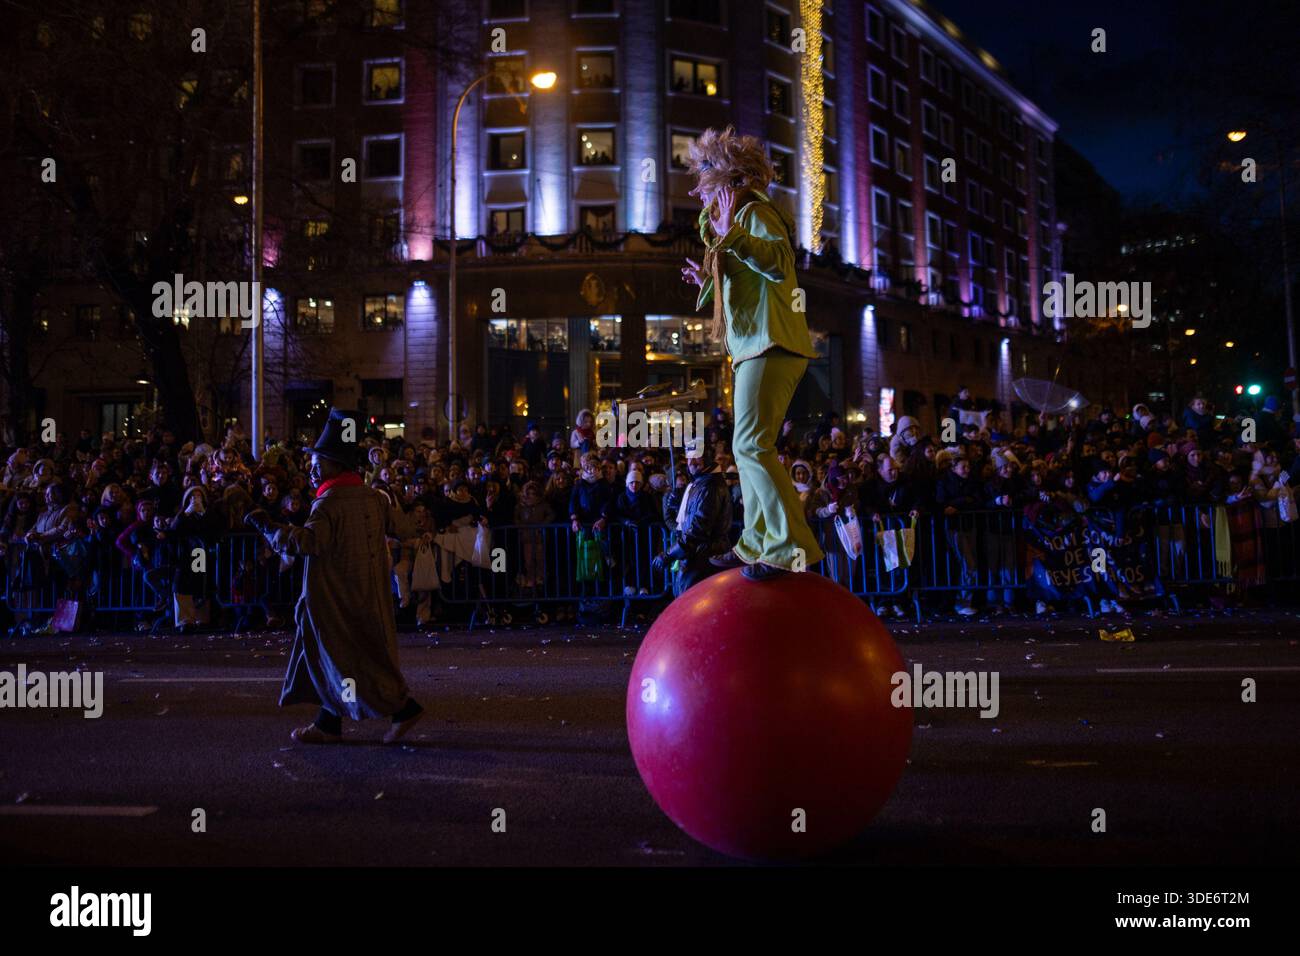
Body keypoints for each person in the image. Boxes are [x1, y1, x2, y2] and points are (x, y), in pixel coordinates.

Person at [681, 127, 824, 581]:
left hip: (770, 343)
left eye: (705, 175)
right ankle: (759, 541)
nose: (697, 188)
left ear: (730, 179)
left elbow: (779, 265)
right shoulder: (737, 223)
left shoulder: (756, 213)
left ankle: (788, 544)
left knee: (751, 445)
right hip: (757, 346)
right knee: (749, 449)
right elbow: (747, 276)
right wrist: (707, 281)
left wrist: (731, 237)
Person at [245, 408, 424, 746]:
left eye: (317, 462)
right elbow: (401, 528)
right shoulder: (374, 497)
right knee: (342, 658)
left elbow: (309, 543)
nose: (311, 469)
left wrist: (265, 525)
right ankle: (328, 723)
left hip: (335, 599)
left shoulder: (328, 504)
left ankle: (404, 708)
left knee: (345, 658)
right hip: (368, 595)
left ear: (334, 464)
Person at [654, 439, 732, 595]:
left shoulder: (710, 486)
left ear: (708, 458)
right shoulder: (699, 483)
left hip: (705, 558)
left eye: (697, 456)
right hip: (696, 556)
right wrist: (680, 507)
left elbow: (698, 528)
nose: (691, 461)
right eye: (689, 457)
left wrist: (668, 554)